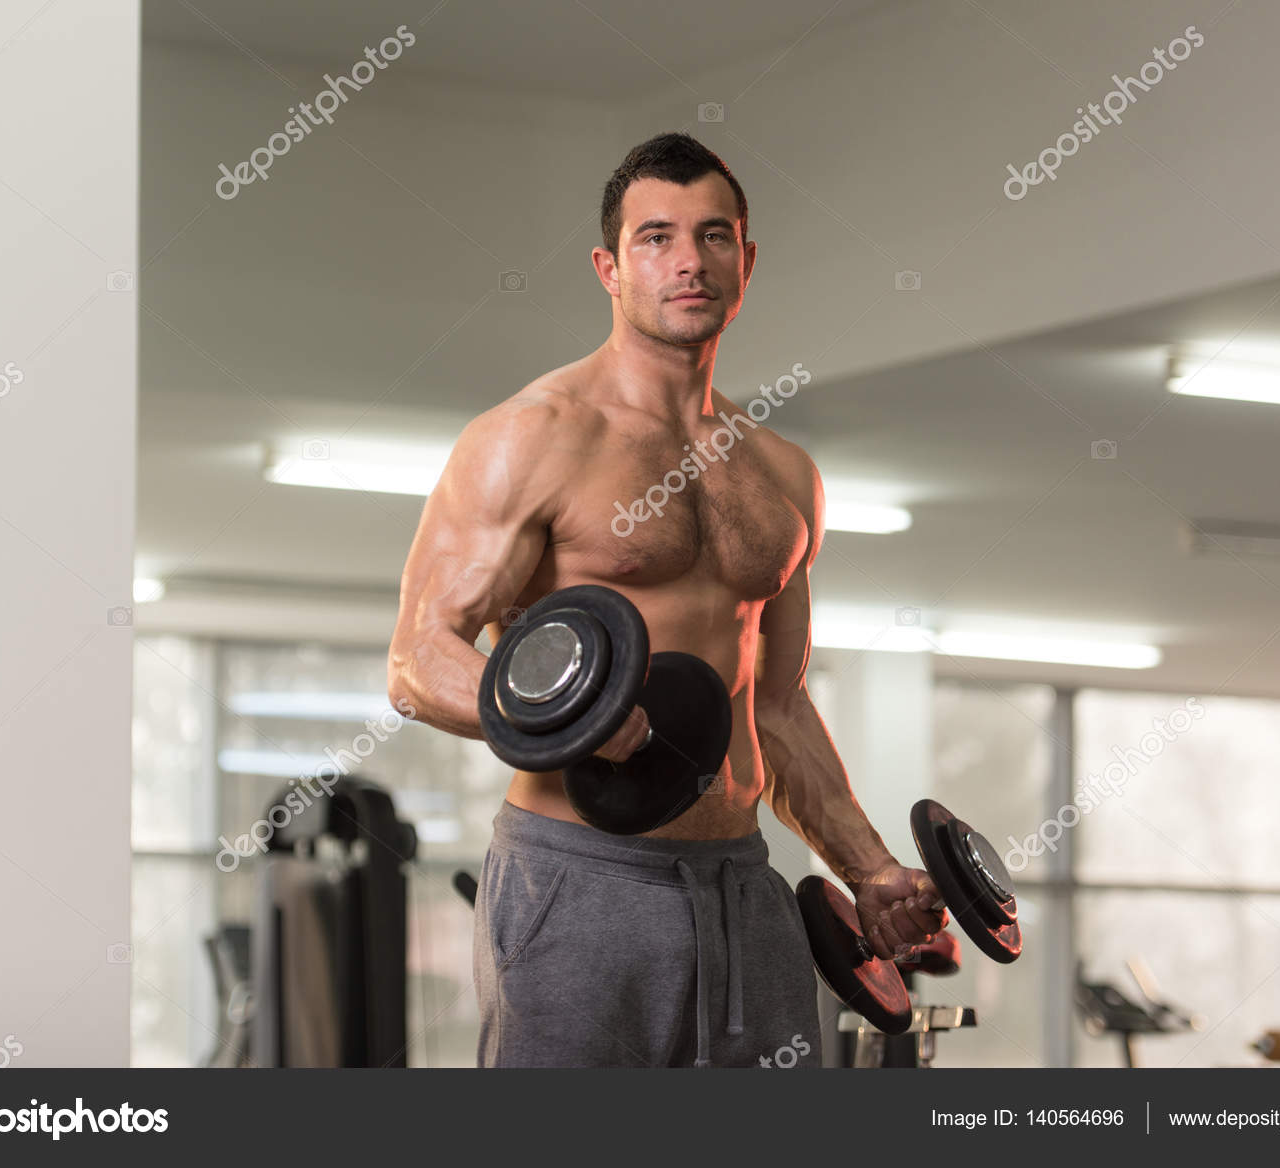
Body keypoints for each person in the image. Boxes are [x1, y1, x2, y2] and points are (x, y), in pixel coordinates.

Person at [388, 132, 945, 1067]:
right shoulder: (532, 436)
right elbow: (417, 660)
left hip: (741, 880)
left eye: (714, 235)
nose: (689, 261)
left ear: (746, 260)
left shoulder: (784, 476)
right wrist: (572, 725)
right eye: (656, 238)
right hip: (580, 874)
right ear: (610, 267)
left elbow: (775, 704)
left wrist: (871, 866)